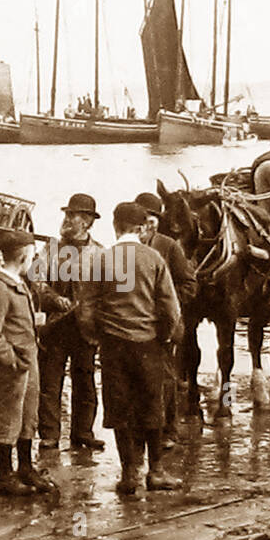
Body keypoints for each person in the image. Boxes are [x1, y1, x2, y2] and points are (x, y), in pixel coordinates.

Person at [77, 202, 182, 495]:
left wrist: (95, 337)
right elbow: (170, 308)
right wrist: (162, 336)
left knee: (119, 407)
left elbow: (86, 308)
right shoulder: (154, 258)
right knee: (152, 405)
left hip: (113, 346)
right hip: (148, 344)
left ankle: (129, 474)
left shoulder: (101, 259)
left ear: (115, 226)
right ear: (140, 229)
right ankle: (156, 471)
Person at [0, 231, 54, 496]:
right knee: (10, 417)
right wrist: (9, 359)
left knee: (28, 415)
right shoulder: (0, 288)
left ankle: (25, 467)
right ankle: (5, 476)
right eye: (32, 255)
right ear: (24, 256)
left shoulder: (17, 283)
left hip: (28, 360)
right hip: (14, 365)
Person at [32, 194, 105, 452]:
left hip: (86, 329)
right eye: (66, 215)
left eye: (72, 216)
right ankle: (49, 434)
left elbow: (107, 292)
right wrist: (53, 299)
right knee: (50, 382)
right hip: (55, 327)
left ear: (86, 222)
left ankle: (83, 432)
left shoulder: (100, 253)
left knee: (85, 380)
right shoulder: (51, 249)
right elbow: (36, 281)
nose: (67, 220)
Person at [134, 191, 198, 443]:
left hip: (165, 324)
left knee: (167, 379)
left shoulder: (169, 246)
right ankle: (145, 428)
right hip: (138, 325)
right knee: (141, 379)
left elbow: (189, 285)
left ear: (157, 221)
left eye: (152, 219)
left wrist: (164, 303)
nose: (147, 225)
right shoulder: (127, 247)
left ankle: (168, 430)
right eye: (143, 219)